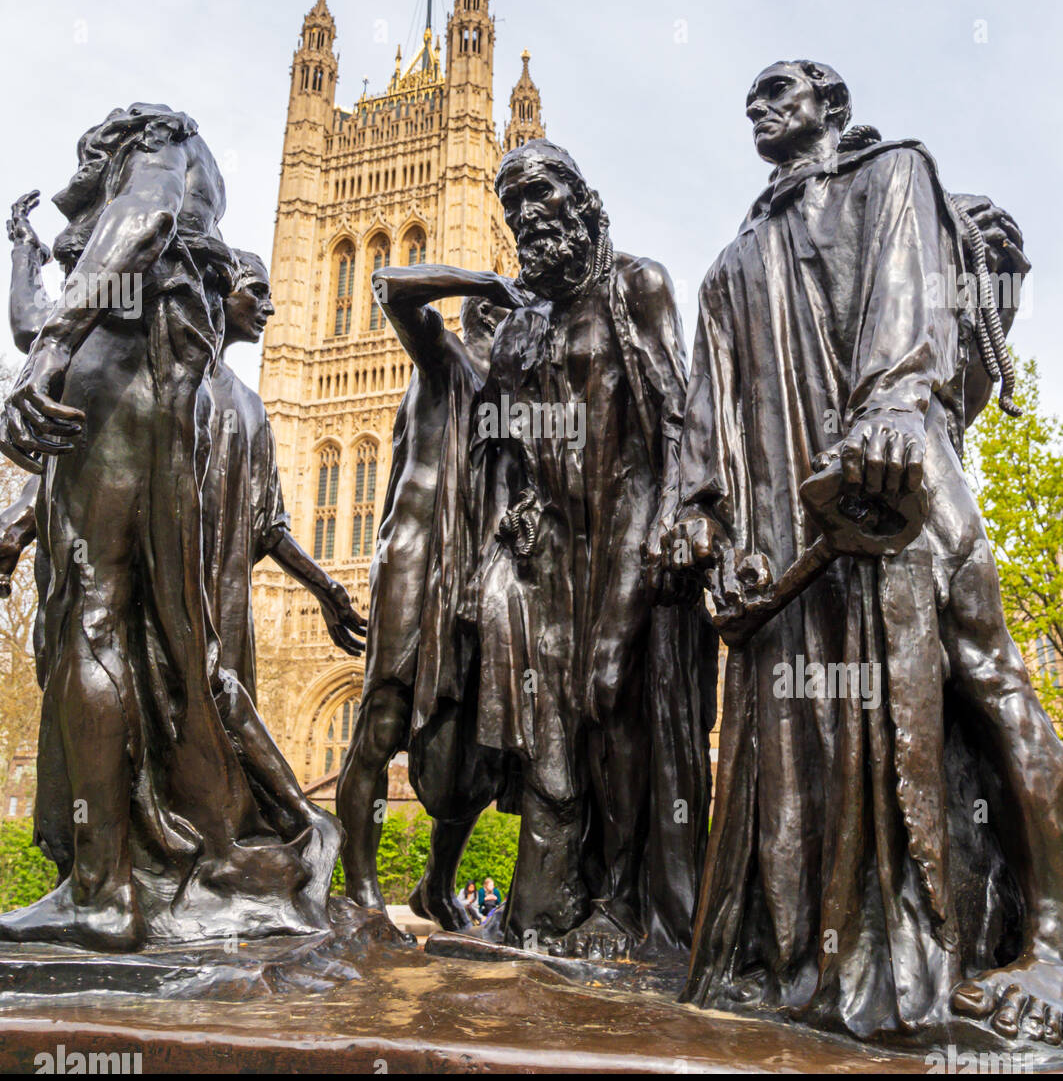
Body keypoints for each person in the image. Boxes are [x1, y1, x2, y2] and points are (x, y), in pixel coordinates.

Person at [670, 60, 1063, 1043]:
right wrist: (692, 515)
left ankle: (1050, 939)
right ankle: (805, 950)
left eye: (783, 88)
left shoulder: (891, 173)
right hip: (791, 540)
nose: (759, 103)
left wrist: (892, 400)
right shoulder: (726, 266)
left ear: (831, 109)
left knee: (986, 679)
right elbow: (704, 414)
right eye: (749, 94)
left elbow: (908, 304)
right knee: (796, 726)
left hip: (899, 487)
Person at [0, 104, 336, 950]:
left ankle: (102, 890)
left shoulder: (155, 147)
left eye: (86, 167)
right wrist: (25, 260)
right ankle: (173, 860)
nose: (78, 186)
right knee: (169, 642)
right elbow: (59, 303)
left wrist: (45, 358)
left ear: (112, 142)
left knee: (94, 617)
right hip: (167, 398)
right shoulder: (193, 211)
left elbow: (136, 223)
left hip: (114, 378)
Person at [474, 139, 716, 958]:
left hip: (628, 527)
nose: (528, 216)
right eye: (512, 207)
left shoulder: (634, 286)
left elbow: (675, 417)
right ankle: (556, 900)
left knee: (610, 697)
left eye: (541, 195)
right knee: (555, 724)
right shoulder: (519, 329)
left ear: (581, 198)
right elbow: (503, 452)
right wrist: (516, 508)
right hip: (553, 553)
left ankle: (623, 899)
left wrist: (681, 525)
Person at [336, 263, 522, 932]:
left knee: (476, 739)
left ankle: (434, 885)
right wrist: (484, 281)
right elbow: (387, 286)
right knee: (382, 720)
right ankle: (361, 886)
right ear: (487, 320)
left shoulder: (514, 405)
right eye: (510, 317)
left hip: (479, 578)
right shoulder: (443, 359)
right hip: (415, 566)